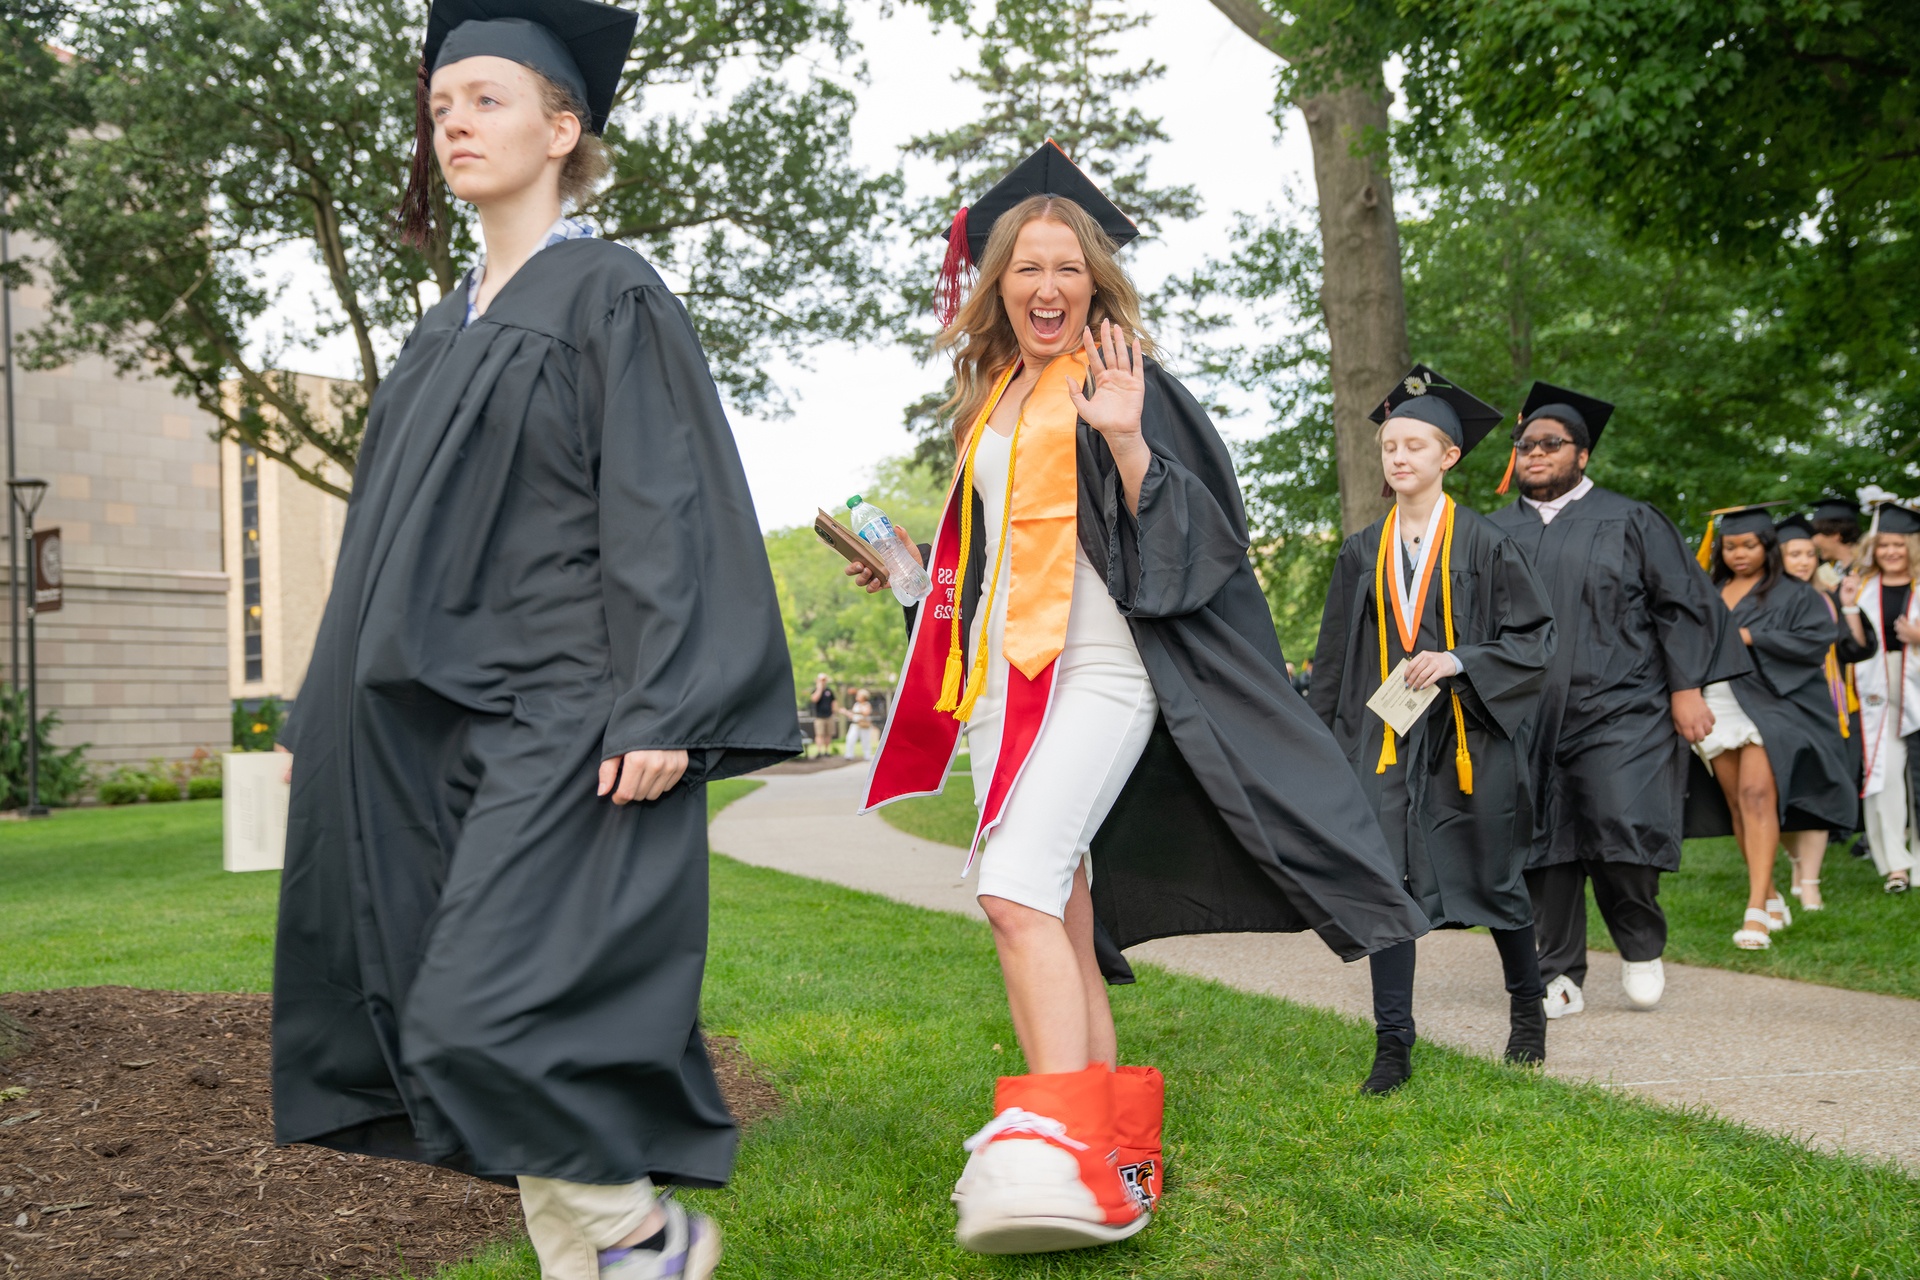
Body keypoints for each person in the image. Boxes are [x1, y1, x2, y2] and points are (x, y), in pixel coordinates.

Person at [270, 5, 802, 1279]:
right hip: (430, 715)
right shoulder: (438, 328)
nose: (453, 116)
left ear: (565, 127)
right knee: (426, 991)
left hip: (570, 708)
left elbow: (667, 499)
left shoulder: (607, 289)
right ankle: (602, 1262)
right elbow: (377, 543)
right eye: (442, 99)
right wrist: (316, 712)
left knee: (480, 1009)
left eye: (489, 97)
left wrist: (668, 698)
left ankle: (639, 1231)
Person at [847, 141, 1427, 1254]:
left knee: (1012, 890)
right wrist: (913, 571)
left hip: (1105, 673)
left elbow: (1194, 544)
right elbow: (996, 563)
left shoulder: (1128, 380)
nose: (1048, 286)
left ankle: (1051, 1148)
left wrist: (1123, 440)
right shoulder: (993, 395)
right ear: (998, 284)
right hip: (1004, 685)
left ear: (1096, 283)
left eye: (1069, 267)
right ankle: (1114, 1143)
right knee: (1054, 902)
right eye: (1027, 269)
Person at [1309, 366, 1556, 1091]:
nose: (1400, 458)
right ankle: (1393, 1045)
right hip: (1387, 741)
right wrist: (1325, 748)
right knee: (1386, 887)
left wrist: (1461, 660)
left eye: (1416, 445)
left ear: (1449, 456)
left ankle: (1528, 1013)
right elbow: (1332, 663)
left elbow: (1535, 639)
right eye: (1390, 447)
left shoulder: (1485, 544)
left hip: (1470, 737)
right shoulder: (1361, 551)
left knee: (1498, 879)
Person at [1486, 383, 1748, 1016]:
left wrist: (1687, 688)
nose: (1535, 453)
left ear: (1582, 454)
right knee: (1543, 844)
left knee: (1621, 828)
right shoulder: (1492, 531)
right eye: (1525, 445)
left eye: (1551, 443)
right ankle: (1559, 973)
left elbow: (1681, 606)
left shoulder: (1632, 519)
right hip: (1527, 714)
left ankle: (1640, 945)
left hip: (1622, 706)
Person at [1685, 507, 1854, 948]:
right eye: (1731, 545)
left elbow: (1818, 641)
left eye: (1750, 545)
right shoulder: (1712, 588)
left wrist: (1752, 638)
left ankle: (1756, 908)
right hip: (1716, 702)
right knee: (1738, 806)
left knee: (1757, 795)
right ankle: (1773, 893)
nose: (1739, 553)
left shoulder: (1794, 593)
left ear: (1767, 546)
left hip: (1770, 705)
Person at [1776, 514, 1876, 908]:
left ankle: (1810, 879)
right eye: (1793, 554)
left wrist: (1849, 606)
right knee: (1779, 798)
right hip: (1780, 709)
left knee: (1818, 793)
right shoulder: (1765, 602)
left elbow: (1858, 650)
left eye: (1809, 555)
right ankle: (1796, 860)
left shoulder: (1829, 598)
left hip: (1827, 709)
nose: (1803, 562)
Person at [1855, 502, 1920, 893]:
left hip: (1918, 680)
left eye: (1899, 544)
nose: (1891, 552)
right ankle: (1896, 864)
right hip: (1878, 685)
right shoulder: (1863, 588)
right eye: (1884, 546)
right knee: (1883, 774)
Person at [807, 674, 837, 757]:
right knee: (819, 734)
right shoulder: (815, 690)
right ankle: (819, 751)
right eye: (821, 680)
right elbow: (814, 699)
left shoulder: (829, 691)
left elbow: (834, 702)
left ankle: (826, 751)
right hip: (819, 717)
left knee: (828, 734)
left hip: (829, 716)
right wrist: (819, 688)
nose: (823, 681)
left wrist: (834, 712)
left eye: (824, 680)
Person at [844, 688, 877, 760]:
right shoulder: (856, 704)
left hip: (863, 725)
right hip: (855, 724)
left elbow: (866, 713)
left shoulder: (866, 704)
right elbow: (852, 715)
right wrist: (846, 712)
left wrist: (857, 711)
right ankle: (849, 754)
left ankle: (867, 755)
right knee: (850, 739)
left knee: (865, 740)